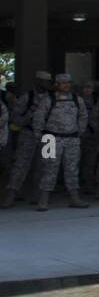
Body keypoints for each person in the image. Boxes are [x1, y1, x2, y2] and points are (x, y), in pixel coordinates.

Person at [31, 73, 89, 211]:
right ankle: (43, 199)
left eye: (68, 83)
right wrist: (39, 136)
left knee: (72, 169)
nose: (66, 85)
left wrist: (79, 132)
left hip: (72, 138)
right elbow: (39, 118)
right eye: (63, 83)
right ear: (57, 84)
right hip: (50, 138)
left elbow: (83, 117)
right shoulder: (48, 99)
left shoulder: (77, 99)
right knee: (48, 169)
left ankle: (75, 198)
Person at [0, 70, 52, 208]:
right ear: (37, 81)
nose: (47, 83)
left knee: (45, 166)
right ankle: (11, 194)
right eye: (44, 81)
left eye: (48, 81)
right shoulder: (26, 98)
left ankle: (39, 195)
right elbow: (14, 118)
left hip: (48, 137)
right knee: (20, 165)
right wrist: (28, 116)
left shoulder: (53, 98)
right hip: (28, 134)